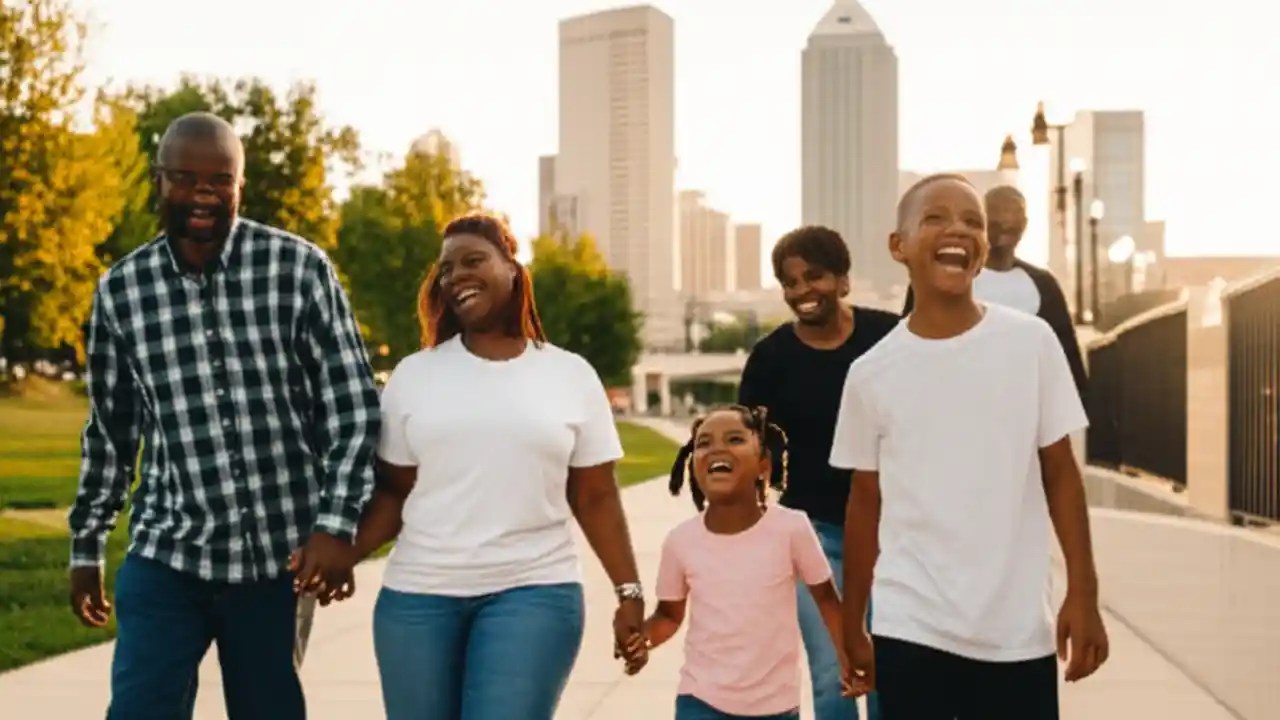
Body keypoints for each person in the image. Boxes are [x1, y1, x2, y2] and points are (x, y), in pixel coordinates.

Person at [67, 112, 381, 719]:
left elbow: (353, 410)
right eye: (186, 178)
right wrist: (87, 547)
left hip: (275, 563)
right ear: (159, 182)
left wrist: (335, 526)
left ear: (240, 186)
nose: (204, 193)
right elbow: (111, 432)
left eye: (221, 181)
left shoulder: (299, 270)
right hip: (169, 553)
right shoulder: (122, 292)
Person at [337, 213, 645, 720]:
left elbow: (595, 496)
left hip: (534, 591)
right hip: (419, 596)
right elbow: (394, 493)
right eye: (446, 269)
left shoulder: (570, 375)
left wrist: (628, 591)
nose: (456, 275)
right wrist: (343, 554)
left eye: (473, 260)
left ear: (512, 267)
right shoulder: (415, 376)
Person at [833, 174, 1109, 719]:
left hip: (1015, 629)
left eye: (972, 221)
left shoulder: (1030, 343)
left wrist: (1084, 591)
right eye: (935, 218)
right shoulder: (871, 374)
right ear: (899, 246)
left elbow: (1060, 473)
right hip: (910, 621)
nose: (957, 229)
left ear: (982, 252)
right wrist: (853, 624)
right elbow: (865, 503)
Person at [737, 226, 896, 720]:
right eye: (790, 282)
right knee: (835, 676)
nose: (802, 290)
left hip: (895, 538)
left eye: (815, 276)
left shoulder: (890, 338)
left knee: (895, 674)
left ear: (843, 280)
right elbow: (748, 454)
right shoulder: (770, 359)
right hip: (814, 538)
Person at [619, 405, 863, 720]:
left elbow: (827, 601)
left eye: (734, 439)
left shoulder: (792, 528)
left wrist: (849, 656)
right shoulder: (681, 541)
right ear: (694, 465)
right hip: (700, 700)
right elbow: (668, 615)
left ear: (763, 465)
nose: (717, 448)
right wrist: (642, 640)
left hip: (776, 706)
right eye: (704, 442)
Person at [900, 185, 1088, 401]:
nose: (1005, 224)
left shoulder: (1043, 285)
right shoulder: (939, 277)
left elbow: (1067, 361)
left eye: (1013, 220)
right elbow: (907, 345)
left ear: (1024, 226)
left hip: (1023, 409)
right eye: (997, 221)